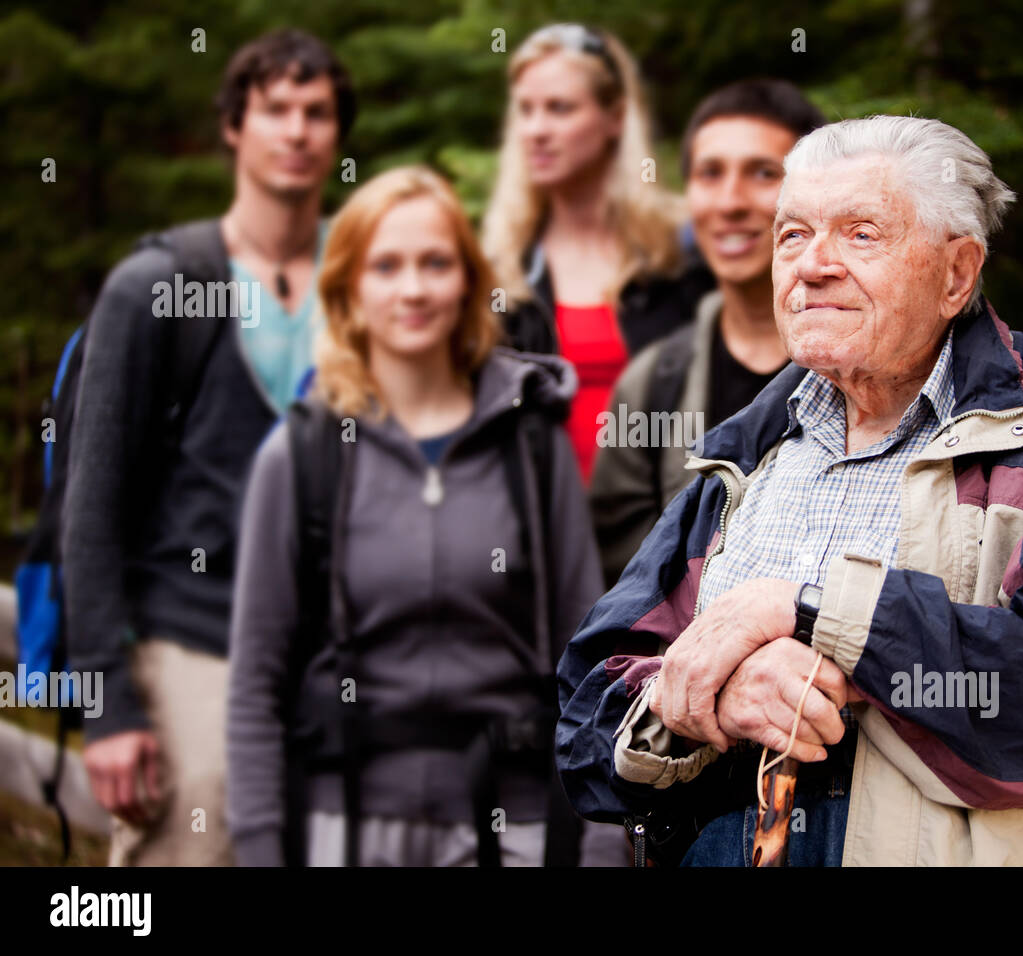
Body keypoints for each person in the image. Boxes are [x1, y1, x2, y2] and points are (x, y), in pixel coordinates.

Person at [556, 115, 1023, 866]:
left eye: (861, 234)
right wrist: (706, 704)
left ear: (956, 274)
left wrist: (811, 608)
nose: (812, 265)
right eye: (792, 235)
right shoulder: (748, 451)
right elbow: (587, 718)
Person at [226, 165, 604, 867]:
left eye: (436, 263)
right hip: (345, 821)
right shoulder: (304, 454)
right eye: (386, 266)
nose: (413, 289)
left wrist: (602, 841)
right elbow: (256, 681)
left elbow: (589, 656)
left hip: (513, 824)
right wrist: (257, 846)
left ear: (466, 282)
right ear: (347, 289)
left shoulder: (530, 444)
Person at [61, 29, 353, 866]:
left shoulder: (364, 277)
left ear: (337, 135)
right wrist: (109, 707)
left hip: (335, 661)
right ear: (234, 126)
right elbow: (93, 509)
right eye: (275, 110)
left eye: (317, 113)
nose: (296, 131)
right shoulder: (156, 286)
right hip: (192, 648)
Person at [590, 79, 824, 585]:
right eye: (709, 174)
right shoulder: (653, 382)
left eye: (764, 173)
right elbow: (626, 582)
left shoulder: (875, 367)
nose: (730, 202)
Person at [482, 22, 714, 482]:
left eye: (559, 108)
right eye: (525, 111)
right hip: (543, 534)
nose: (536, 130)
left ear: (615, 117)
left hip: (664, 528)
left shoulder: (682, 251)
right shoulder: (500, 266)